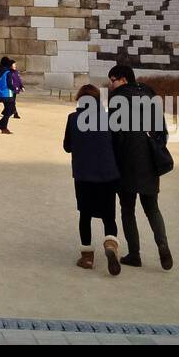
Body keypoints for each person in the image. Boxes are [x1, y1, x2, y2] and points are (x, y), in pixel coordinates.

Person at [108, 64, 173, 270]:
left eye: (113, 80)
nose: (111, 85)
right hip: (149, 161)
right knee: (152, 207)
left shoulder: (118, 98)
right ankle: (163, 246)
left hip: (126, 161)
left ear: (124, 79)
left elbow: (114, 133)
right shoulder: (149, 94)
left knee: (127, 209)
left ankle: (134, 254)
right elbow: (161, 130)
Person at [63, 83, 121, 274]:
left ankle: (87, 257)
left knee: (85, 215)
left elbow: (67, 146)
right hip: (107, 174)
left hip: (83, 174)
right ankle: (111, 244)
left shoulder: (73, 119)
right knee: (108, 215)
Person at [0, 56, 18, 134]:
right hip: (8, 93)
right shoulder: (7, 72)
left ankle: (2, 124)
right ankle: (3, 125)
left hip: (1, 93)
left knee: (8, 109)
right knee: (10, 110)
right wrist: (15, 88)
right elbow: (9, 84)